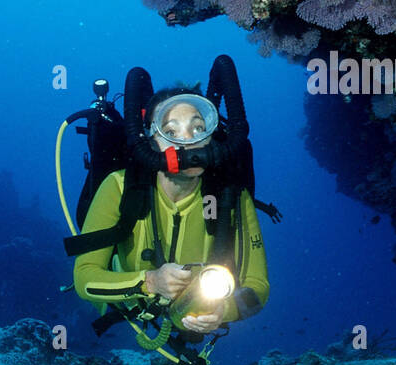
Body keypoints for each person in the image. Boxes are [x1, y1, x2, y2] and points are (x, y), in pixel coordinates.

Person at [72, 87, 269, 336]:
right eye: (171, 131)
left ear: (211, 136)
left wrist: (224, 310)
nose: (189, 142)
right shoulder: (119, 187)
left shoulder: (233, 197)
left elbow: (258, 285)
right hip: (132, 305)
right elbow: (83, 278)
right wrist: (150, 281)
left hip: (190, 311)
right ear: (151, 143)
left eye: (198, 128)